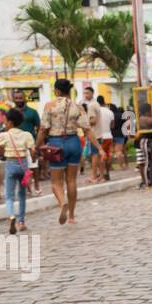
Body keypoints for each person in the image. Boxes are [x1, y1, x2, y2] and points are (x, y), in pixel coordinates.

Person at [38, 78, 102, 225]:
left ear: (57, 91)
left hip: (56, 145)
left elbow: (43, 129)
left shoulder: (50, 105)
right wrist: (99, 148)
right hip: (74, 143)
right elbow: (87, 129)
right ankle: (72, 216)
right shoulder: (78, 107)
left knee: (56, 183)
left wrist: (36, 146)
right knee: (71, 180)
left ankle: (62, 203)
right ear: (69, 91)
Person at [0, 106, 35, 234]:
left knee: (9, 196)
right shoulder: (26, 135)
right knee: (22, 194)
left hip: (11, 164)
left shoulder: (3, 136)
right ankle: (21, 221)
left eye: (5, 121)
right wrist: (34, 158)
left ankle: (12, 215)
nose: (4, 124)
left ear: (10, 123)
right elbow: (33, 152)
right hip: (23, 165)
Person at [81, 85, 103, 181]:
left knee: (94, 156)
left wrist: (82, 123)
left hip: (94, 134)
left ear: (92, 93)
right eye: (84, 93)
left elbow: (93, 121)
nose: (85, 95)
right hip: (98, 133)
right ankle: (101, 176)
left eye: (87, 93)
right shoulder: (96, 104)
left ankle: (94, 176)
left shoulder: (91, 105)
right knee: (97, 156)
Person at [96, 95, 115, 180]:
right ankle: (107, 172)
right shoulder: (110, 112)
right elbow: (112, 125)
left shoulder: (96, 111)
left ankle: (101, 175)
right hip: (109, 136)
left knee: (100, 156)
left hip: (100, 136)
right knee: (107, 155)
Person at [111, 100, 128, 168]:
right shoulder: (121, 115)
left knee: (111, 151)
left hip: (111, 134)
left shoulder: (110, 115)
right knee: (119, 151)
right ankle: (122, 165)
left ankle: (110, 167)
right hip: (120, 134)